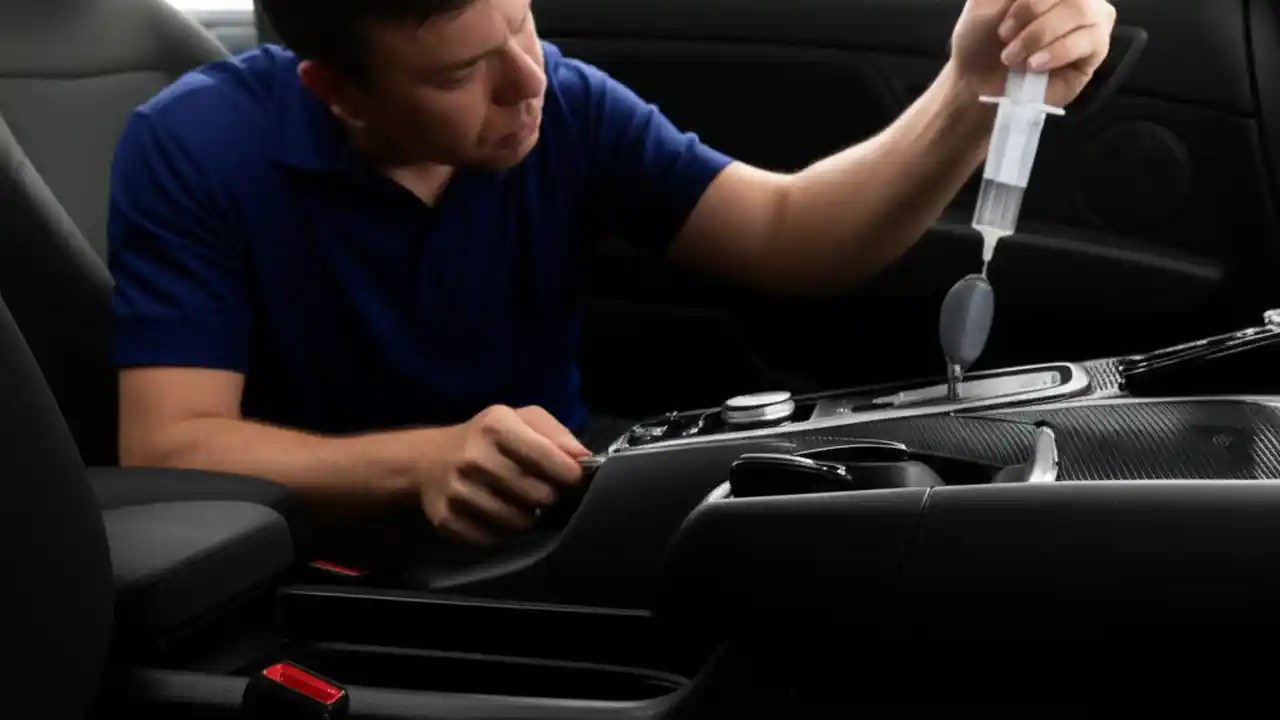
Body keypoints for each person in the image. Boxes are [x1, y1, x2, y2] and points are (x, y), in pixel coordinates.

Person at [109, 0, 1117, 549]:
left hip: (562, 512)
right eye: (461, 73)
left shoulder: (565, 105)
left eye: (519, 22)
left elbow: (789, 232)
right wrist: (415, 465)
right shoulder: (194, 147)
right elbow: (169, 447)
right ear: (339, 94)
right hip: (333, 562)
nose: (526, 79)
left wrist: (967, 90)